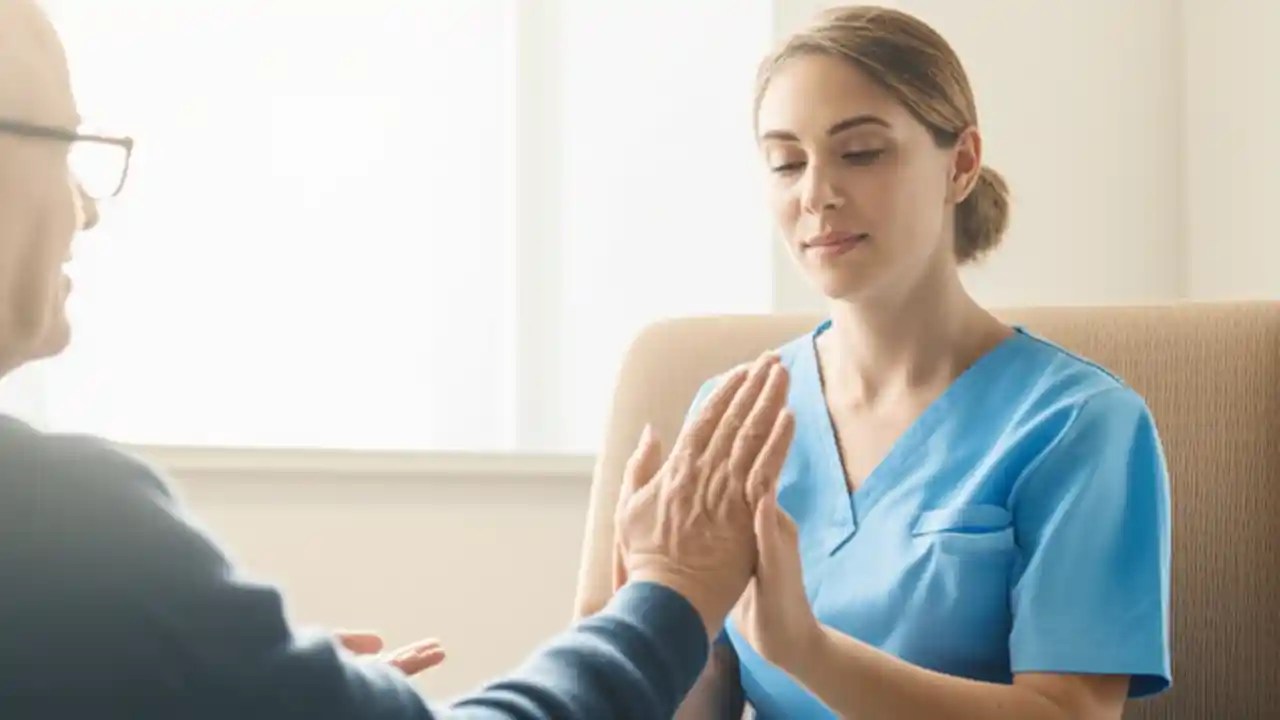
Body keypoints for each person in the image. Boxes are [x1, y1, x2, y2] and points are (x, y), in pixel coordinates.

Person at [0, 1, 800, 717]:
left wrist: (251, 685)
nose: (88, 208)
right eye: (67, 147)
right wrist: (668, 594)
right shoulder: (58, 522)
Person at [577, 5, 1173, 719]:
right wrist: (642, 633)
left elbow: (1073, 713)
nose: (817, 194)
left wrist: (809, 653)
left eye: (859, 154)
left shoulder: (1079, 425)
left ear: (961, 163)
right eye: (787, 162)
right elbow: (703, 696)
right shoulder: (735, 415)